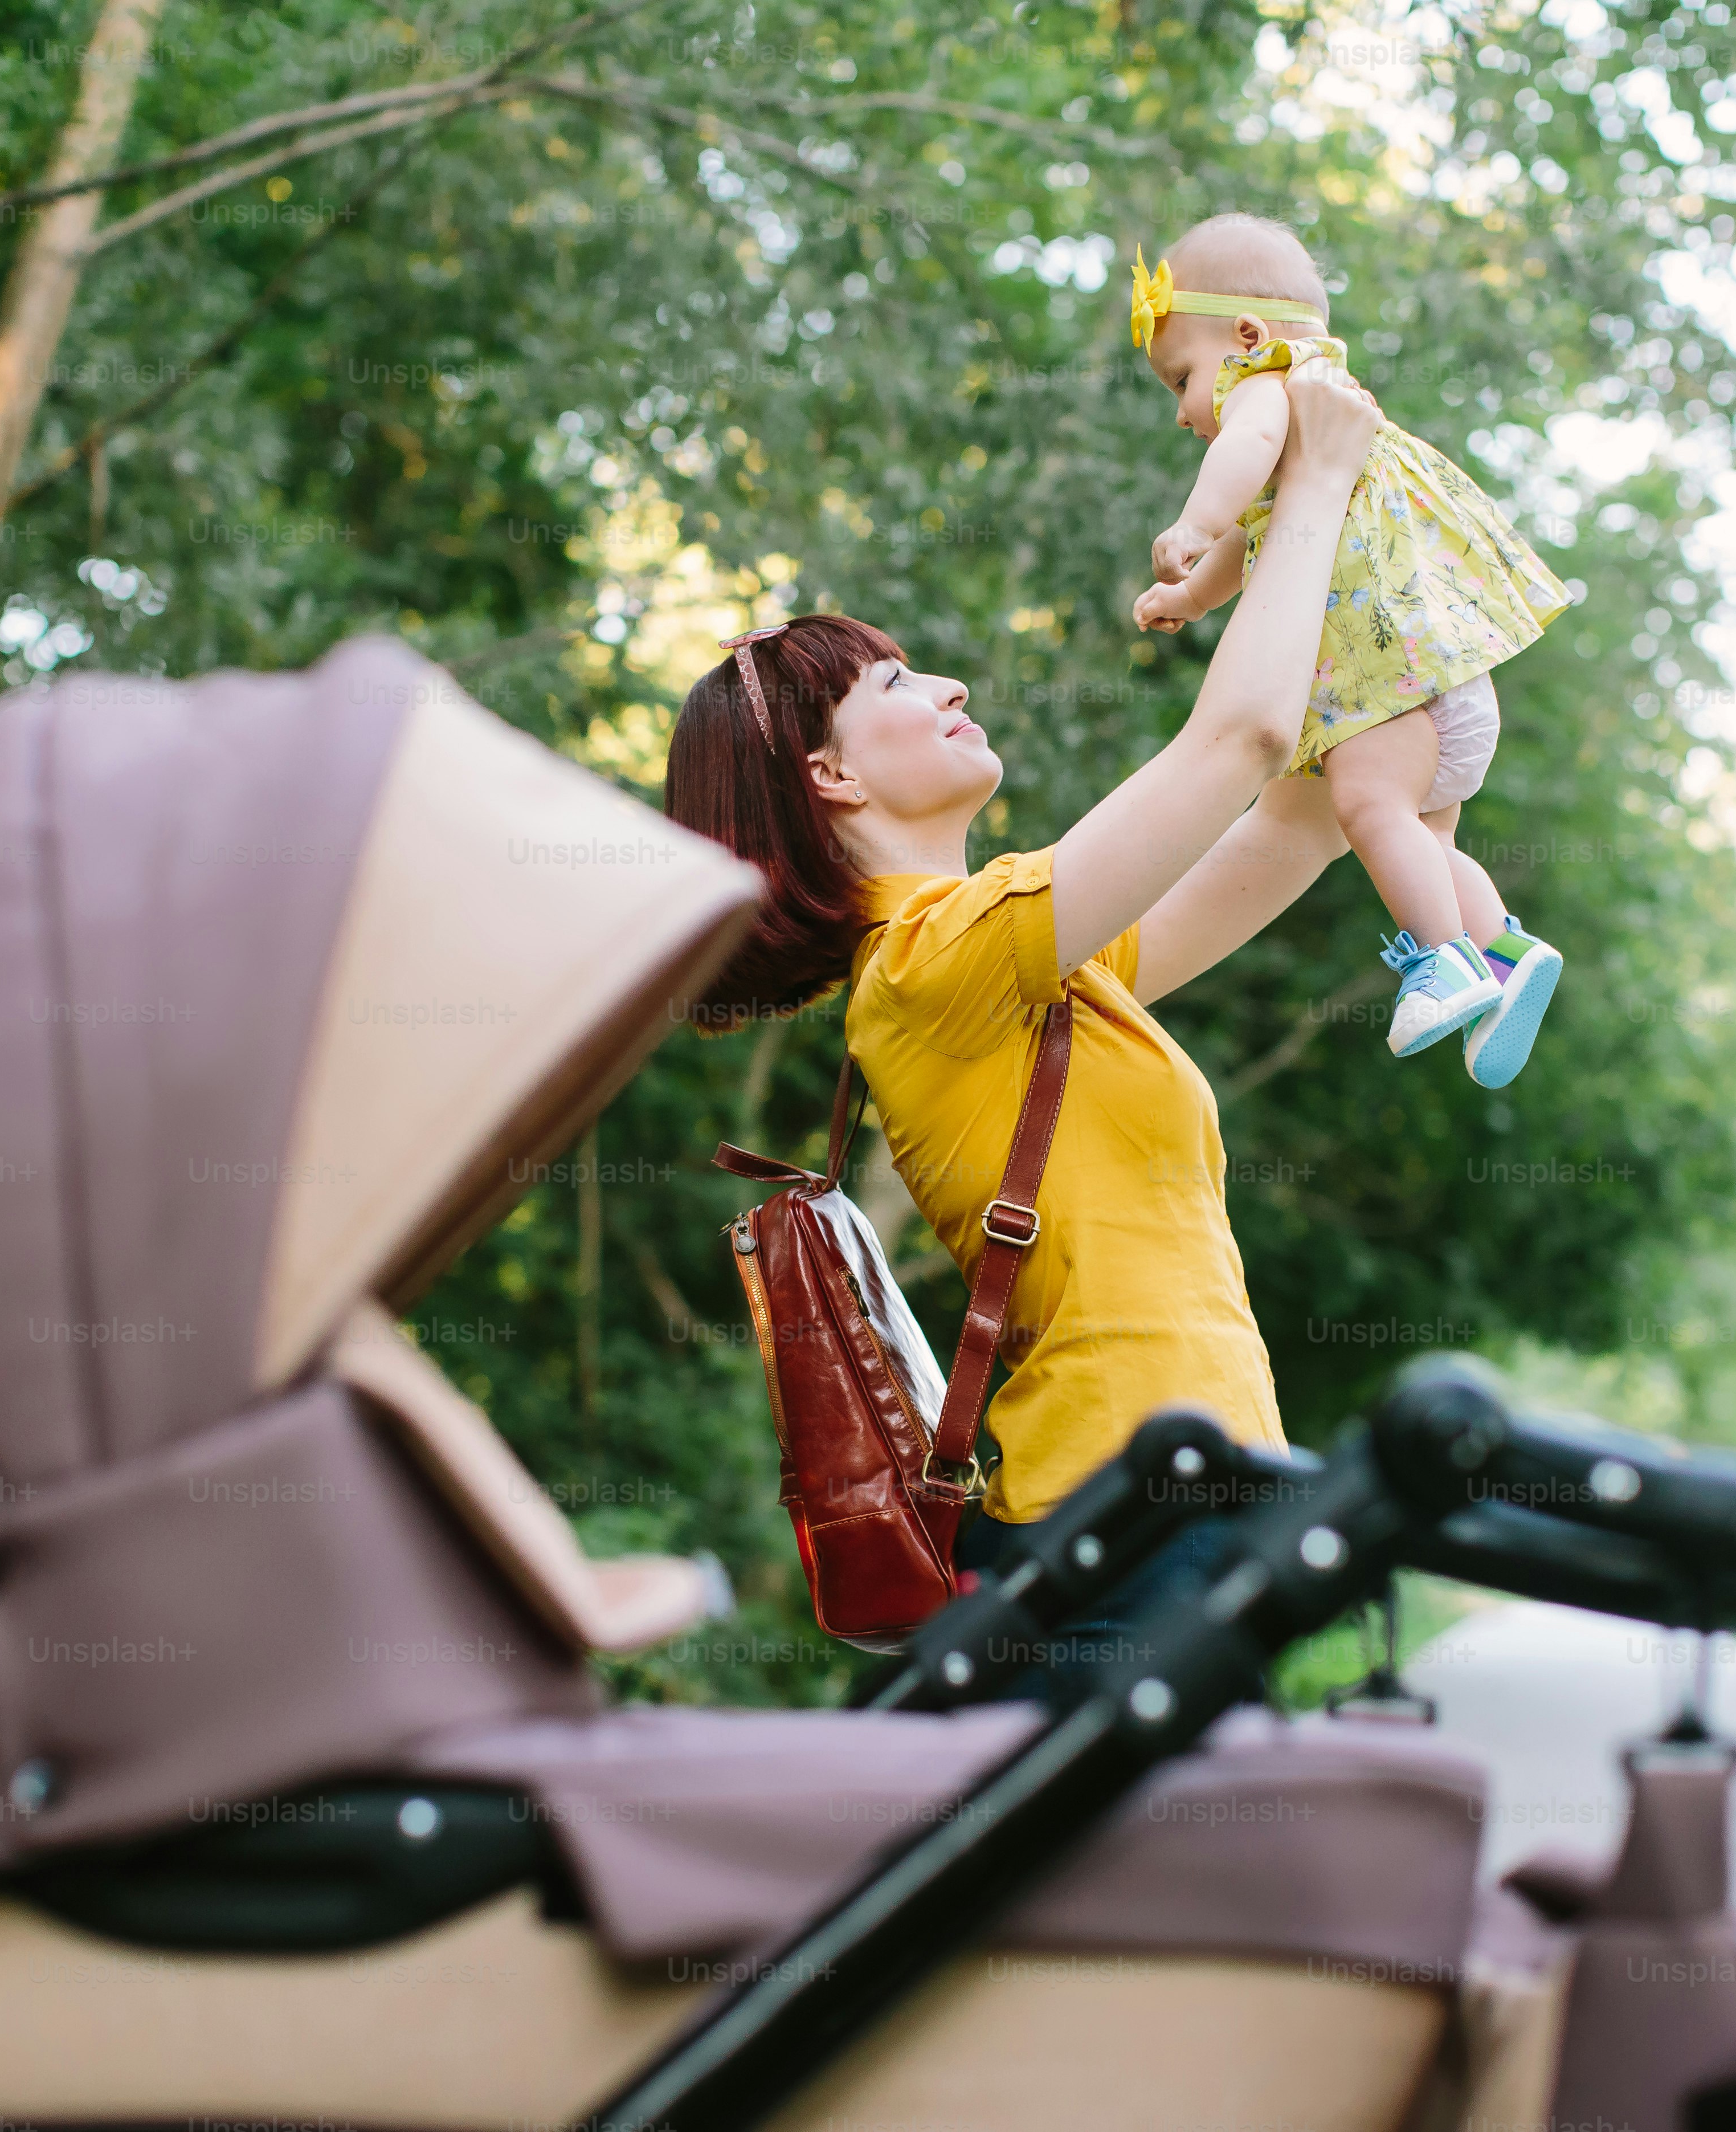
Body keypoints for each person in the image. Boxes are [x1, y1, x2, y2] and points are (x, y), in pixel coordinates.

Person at [661, 355, 1388, 1671]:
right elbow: (1234, 744)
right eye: (892, 685)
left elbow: (1299, 817)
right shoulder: (937, 961)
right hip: (1127, 1529)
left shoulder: (1027, 963)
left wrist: (1347, 573)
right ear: (824, 773)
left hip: (1187, 1512)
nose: (945, 687)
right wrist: (1321, 473)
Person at [1129, 212, 1571, 1089]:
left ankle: (1444, 962)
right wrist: (1190, 593)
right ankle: (1504, 951)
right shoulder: (1329, 408)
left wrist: (1191, 521)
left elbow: (1242, 460)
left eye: (1181, 377)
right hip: (1445, 684)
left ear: (1248, 337)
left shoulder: (1273, 385)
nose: (1184, 413)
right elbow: (1249, 549)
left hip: (1390, 684)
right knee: (1423, 840)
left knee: (1369, 811)